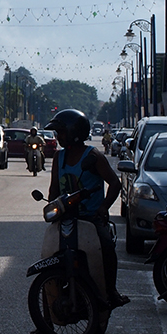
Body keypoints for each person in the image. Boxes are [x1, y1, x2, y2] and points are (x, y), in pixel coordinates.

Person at [45, 108, 128, 309]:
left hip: (90, 218)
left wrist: (104, 207)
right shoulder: (58, 157)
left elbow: (115, 183)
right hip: (66, 217)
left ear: (74, 132)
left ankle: (111, 291)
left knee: (107, 247)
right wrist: (52, 206)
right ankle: (49, 309)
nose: (58, 137)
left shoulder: (94, 156)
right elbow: (54, 188)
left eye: (61, 132)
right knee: (49, 254)